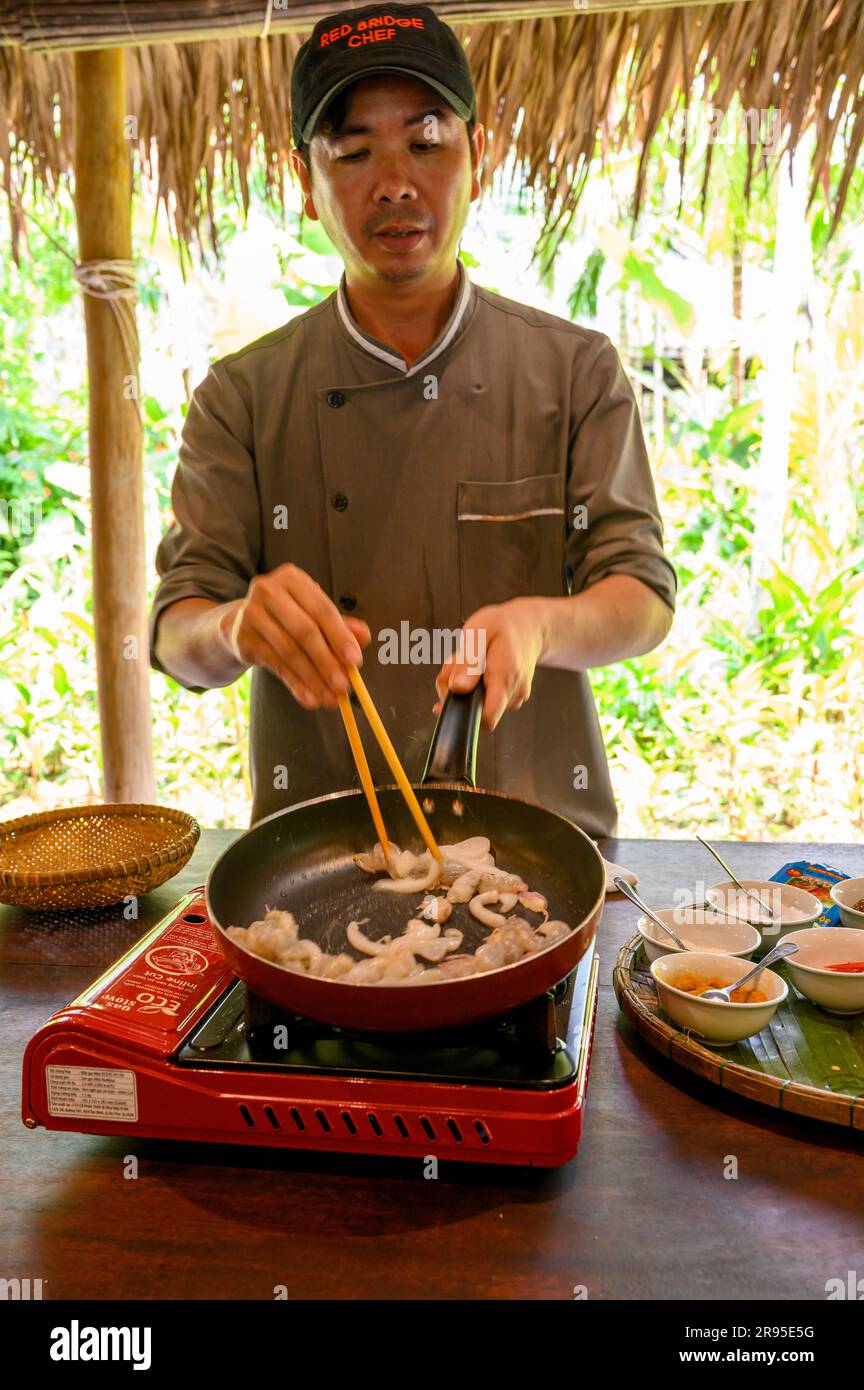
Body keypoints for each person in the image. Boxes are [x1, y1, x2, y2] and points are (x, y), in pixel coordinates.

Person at [150, 1, 677, 839]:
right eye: (353, 151)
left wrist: (539, 622)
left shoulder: (572, 369)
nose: (394, 181)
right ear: (305, 182)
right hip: (320, 853)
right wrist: (236, 625)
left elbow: (643, 600)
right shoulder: (242, 396)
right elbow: (178, 633)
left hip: (539, 845)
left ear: (480, 152)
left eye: (426, 141)